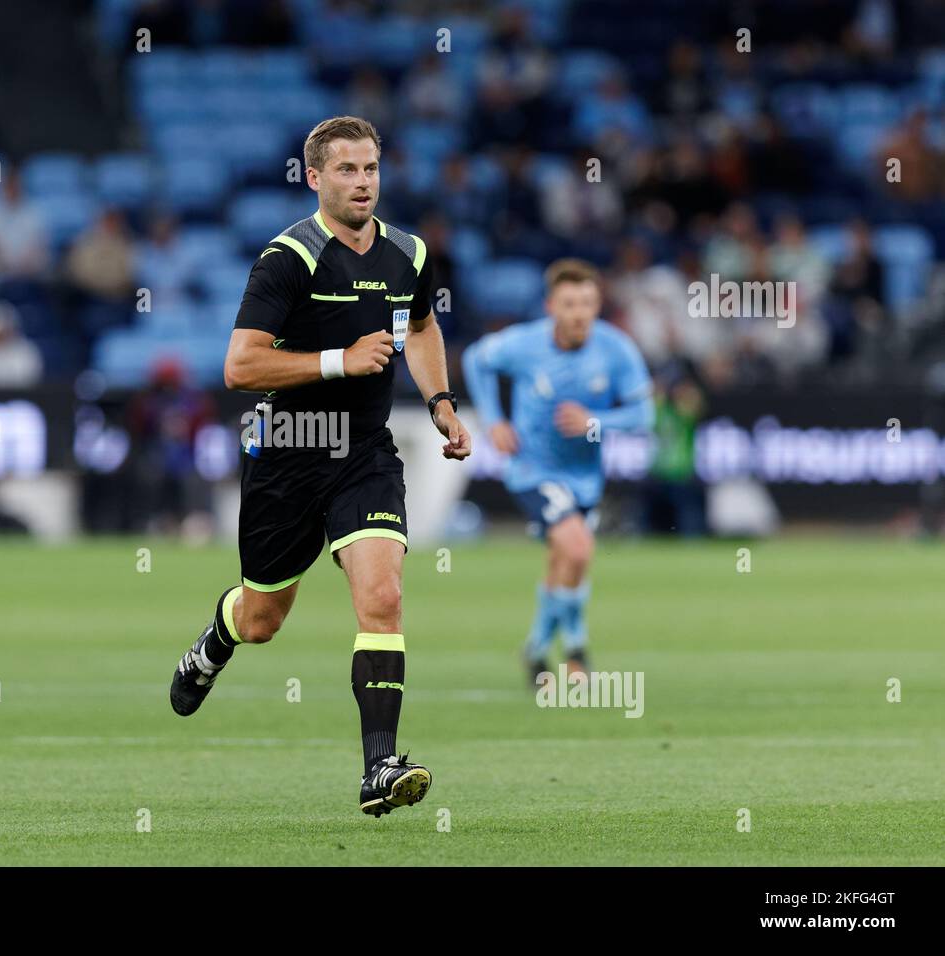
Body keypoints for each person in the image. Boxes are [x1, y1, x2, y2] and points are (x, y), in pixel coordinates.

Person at [167, 116, 473, 817]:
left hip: (364, 452)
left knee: (383, 597)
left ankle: (379, 768)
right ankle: (216, 641)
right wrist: (338, 359)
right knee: (264, 617)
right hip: (291, 453)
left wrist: (441, 402)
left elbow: (421, 326)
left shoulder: (409, 253)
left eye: (370, 169)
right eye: (346, 170)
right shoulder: (289, 259)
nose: (362, 182)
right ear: (314, 178)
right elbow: (239, 365)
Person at [462, 259, 653, 687]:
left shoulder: (616, 348)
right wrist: (493, 418)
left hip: (584, 476)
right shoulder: (525, 344)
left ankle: (534, 650)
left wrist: (596, 422)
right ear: (551, 306)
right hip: (533, 469)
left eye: (587, 302)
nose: (579, 312)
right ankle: (578, 650)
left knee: (566, 562)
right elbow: (477, 359)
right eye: (570, 303)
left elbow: (645, 414)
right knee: (580, 549)